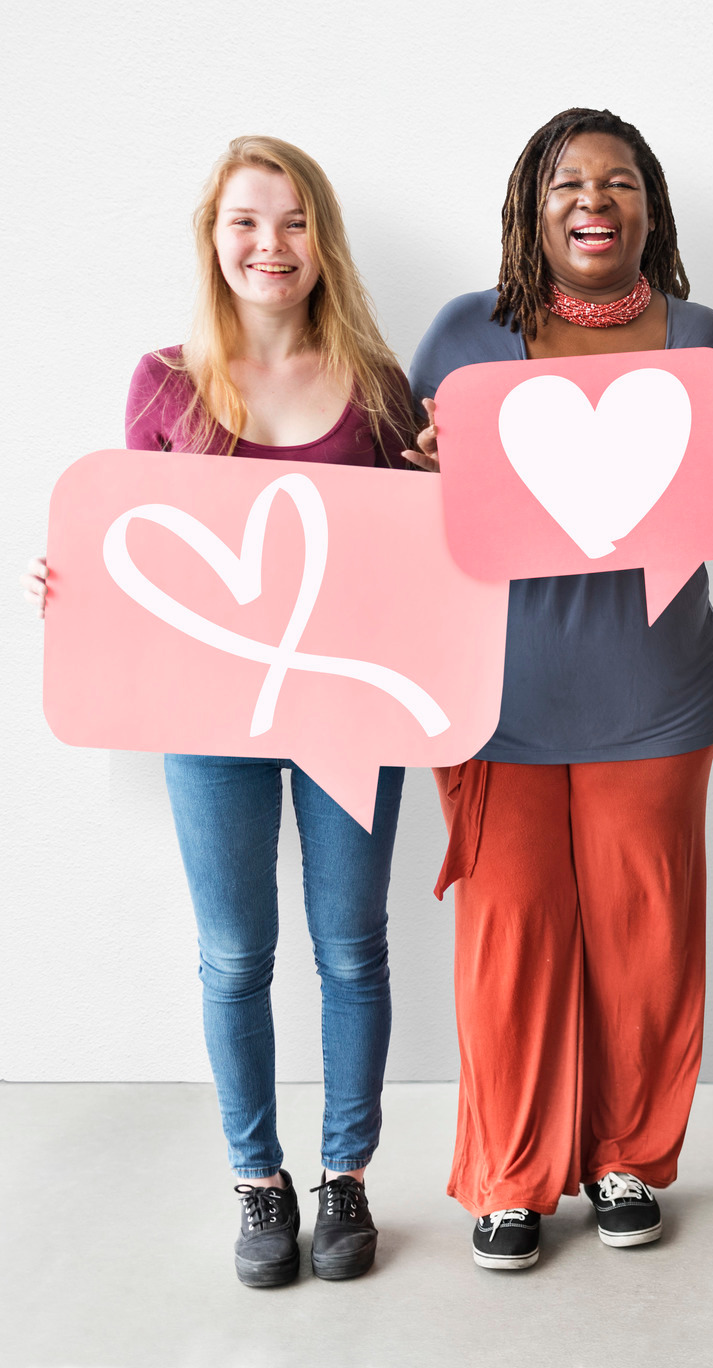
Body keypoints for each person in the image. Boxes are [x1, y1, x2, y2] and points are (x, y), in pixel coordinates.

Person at [22, 136, 417, 1288]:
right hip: (210, 719)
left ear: (321, 240)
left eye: (292, 222)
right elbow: (140, 558)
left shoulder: (380, 386)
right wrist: (75, 584)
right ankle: (260, 1182)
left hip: (350, 712)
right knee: (236, 954)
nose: (270, 245)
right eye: (247, 222)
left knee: (351, 950)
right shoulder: (166, 383)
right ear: (214, 239)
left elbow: (416, 567)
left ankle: (344, 1176)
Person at [407, 107, 713, 1271]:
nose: (592, 201)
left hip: (655, 696)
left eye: (617, 182)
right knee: (510, 938)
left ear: (650, 206)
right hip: (493, 703)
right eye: (566, 185)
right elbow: (385, 509)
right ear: (529, 211)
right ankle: (508, 1174)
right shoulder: (463, 334)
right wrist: (423, 472)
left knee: (643, 939)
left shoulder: (705, 339)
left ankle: (626, 1159)